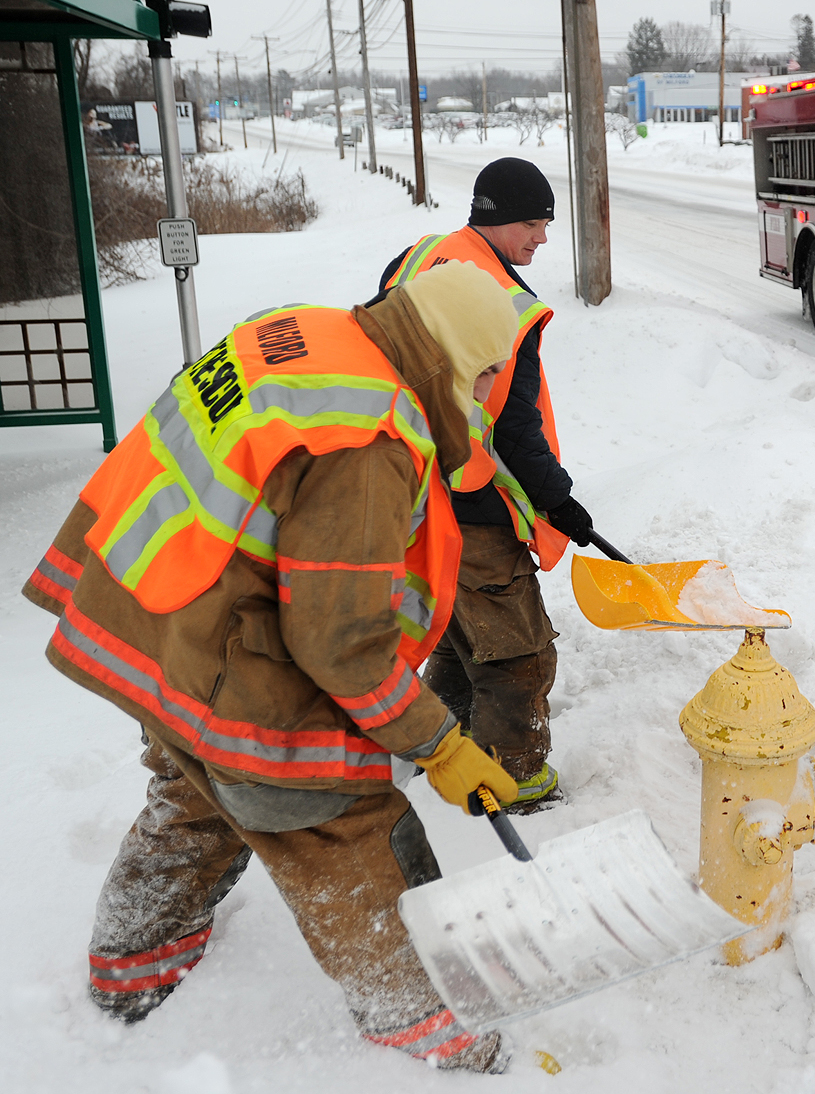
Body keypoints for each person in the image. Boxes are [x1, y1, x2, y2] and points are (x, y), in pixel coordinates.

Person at [23, 262, 529, 1069]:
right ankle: (426, 1014)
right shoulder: (368, 438)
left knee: (200, 788)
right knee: (337, 823)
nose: (493, 386)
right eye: (490, 368)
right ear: (457, 357)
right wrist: (439, 741)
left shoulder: (311, 331)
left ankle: (131, 965)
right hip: (225, 655)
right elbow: (341, 644)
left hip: (158, 604)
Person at [369, 157, 590, 814]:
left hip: (411, 490)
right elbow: (514, 430)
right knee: (519, 654)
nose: (542, 239)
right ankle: (510, 779)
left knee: (464, 638)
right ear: (493, 218)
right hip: (472, 502)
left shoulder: (416, 260)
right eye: (531, 223)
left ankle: (448, 742)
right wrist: (558, 497)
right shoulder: (503, 302)